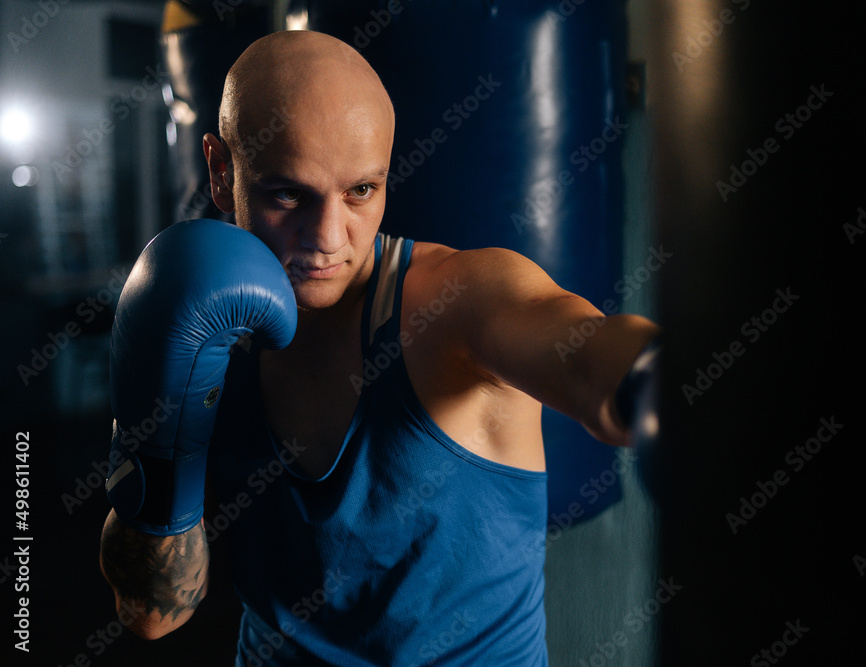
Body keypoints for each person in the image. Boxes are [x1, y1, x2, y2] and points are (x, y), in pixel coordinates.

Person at [100, 30, 659, 665]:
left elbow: (580, 349)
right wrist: (155, 441)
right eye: (289, 194)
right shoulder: (205, 331)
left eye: (360, 191)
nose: (328, 238)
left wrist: (653, 378)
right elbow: (152, 614)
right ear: (223, 171)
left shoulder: (456, 304)